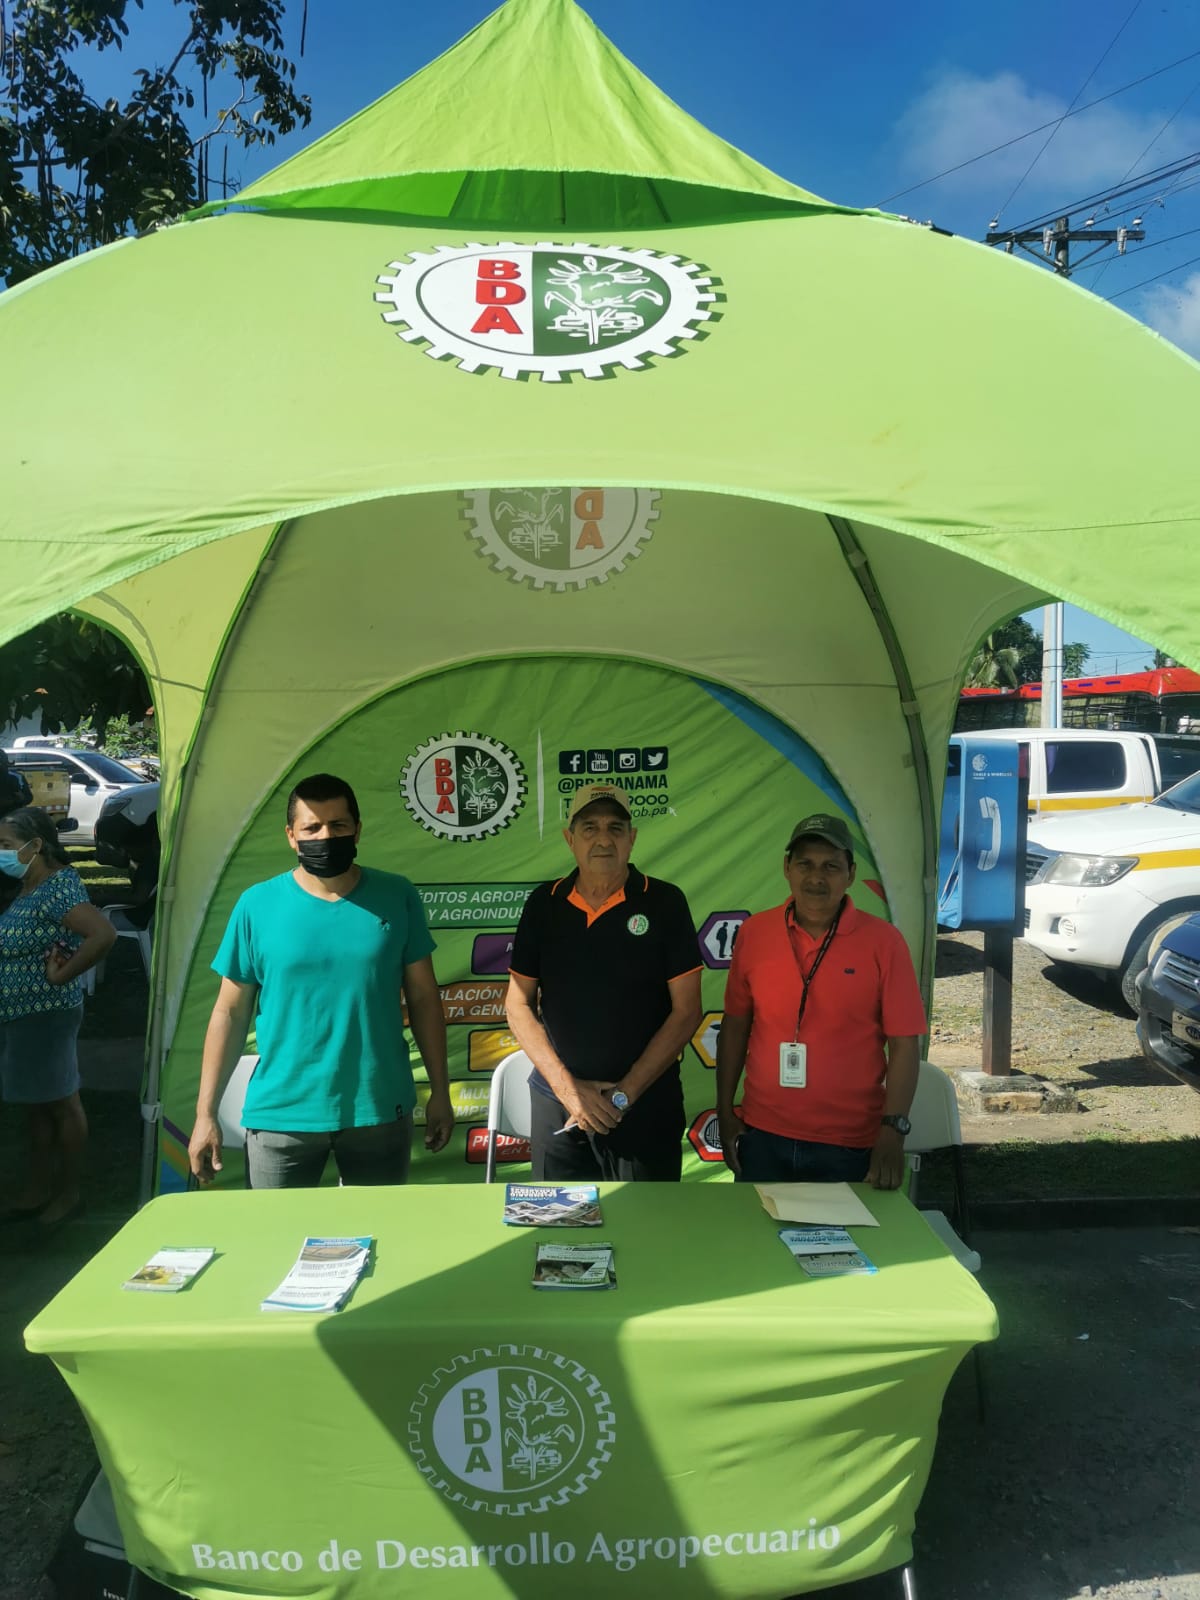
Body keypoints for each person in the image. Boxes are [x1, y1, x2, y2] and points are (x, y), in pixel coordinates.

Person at [187, 773, 453, 1189]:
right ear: (291, 836)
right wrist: (205, 1114)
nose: (326, 836)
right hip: (281, 1115)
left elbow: (423, 999)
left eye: (338, 825)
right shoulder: (256, 905)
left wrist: (441, 1090)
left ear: (358, 829)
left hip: (379, 1108)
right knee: (277, 1245)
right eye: (312, 827)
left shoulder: (397, 895)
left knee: (378, 1239)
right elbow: (230, 1011)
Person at [715, 813, 926, 1188]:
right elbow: (735, 1025)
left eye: (830, 866)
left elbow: (905, 1043)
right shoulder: (754, 933)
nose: (816, 878)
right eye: (805, 864)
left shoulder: (884, 942)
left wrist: (894, 1130)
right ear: (786, 868)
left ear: (850, 873)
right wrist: (725, 1110)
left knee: (849, 1247)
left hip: (849, 1145)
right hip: (762, 1135)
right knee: (759, 1245)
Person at [505, 783, 702, 1182]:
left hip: (644, 1104)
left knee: (647, 1234)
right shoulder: (544, 903)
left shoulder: (665, 902)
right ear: (569, 839)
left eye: (615, 828)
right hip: (559, 1105)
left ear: (631, 839)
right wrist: (569, 1092)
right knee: (558, 1233)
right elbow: (518, 1004)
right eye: (589, 827)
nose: (603, 839)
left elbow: (687, 1012)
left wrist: (623, 1094)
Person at [0, 807, 117, 1225]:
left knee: (61, 1104)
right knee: (36, 1106)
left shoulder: (57, 888)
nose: (0, 853)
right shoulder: (31, 886)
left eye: (5, 846)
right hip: (22, 1017)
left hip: (45, 1016)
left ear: (37, 846)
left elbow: (103, 934)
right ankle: (38, 1189)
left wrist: (62, 974)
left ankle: (69, 1194)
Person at [0, 750, 33, 819]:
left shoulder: (16, 777)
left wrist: (20, 798)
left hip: (12, 817)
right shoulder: (14, 777)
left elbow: (28, 797)